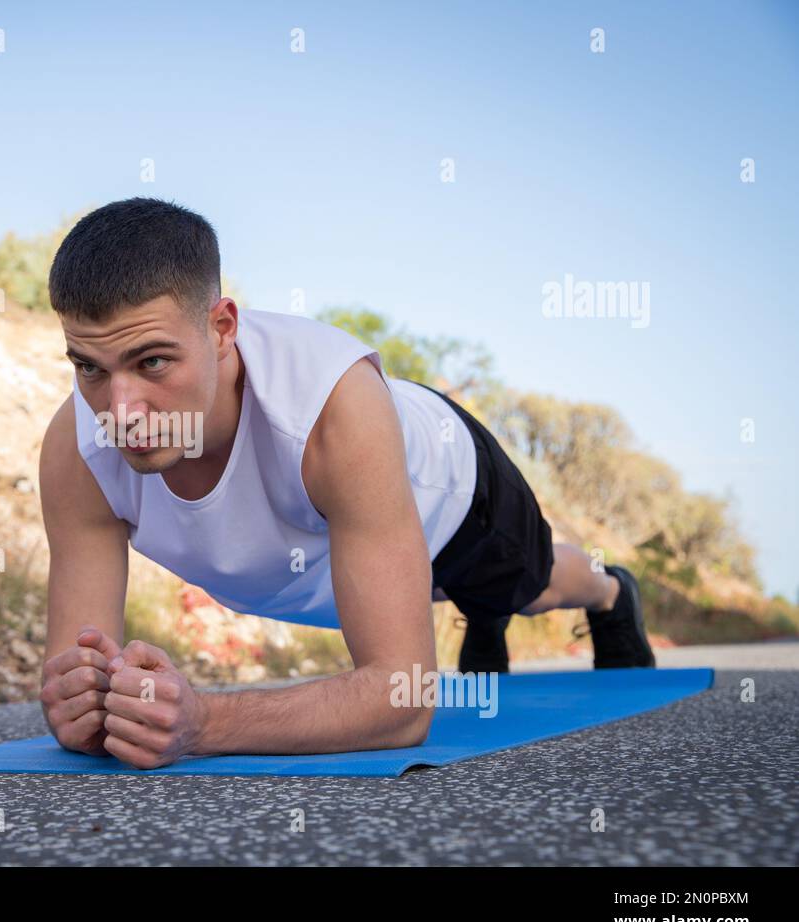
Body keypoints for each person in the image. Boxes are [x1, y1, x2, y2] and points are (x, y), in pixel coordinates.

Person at [38, 197, 654, 769]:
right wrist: (83, 705)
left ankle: (605, 591)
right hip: (326, 554)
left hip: (454, 496)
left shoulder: (333, 410)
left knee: (529, 586)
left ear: (223, 327)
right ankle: (477, 612)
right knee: (434, 599)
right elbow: (74, 680)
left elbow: (403, 702)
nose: (120, 413)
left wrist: (205, 722)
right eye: (90, 367)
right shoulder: (78, 451)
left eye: (153, 362)